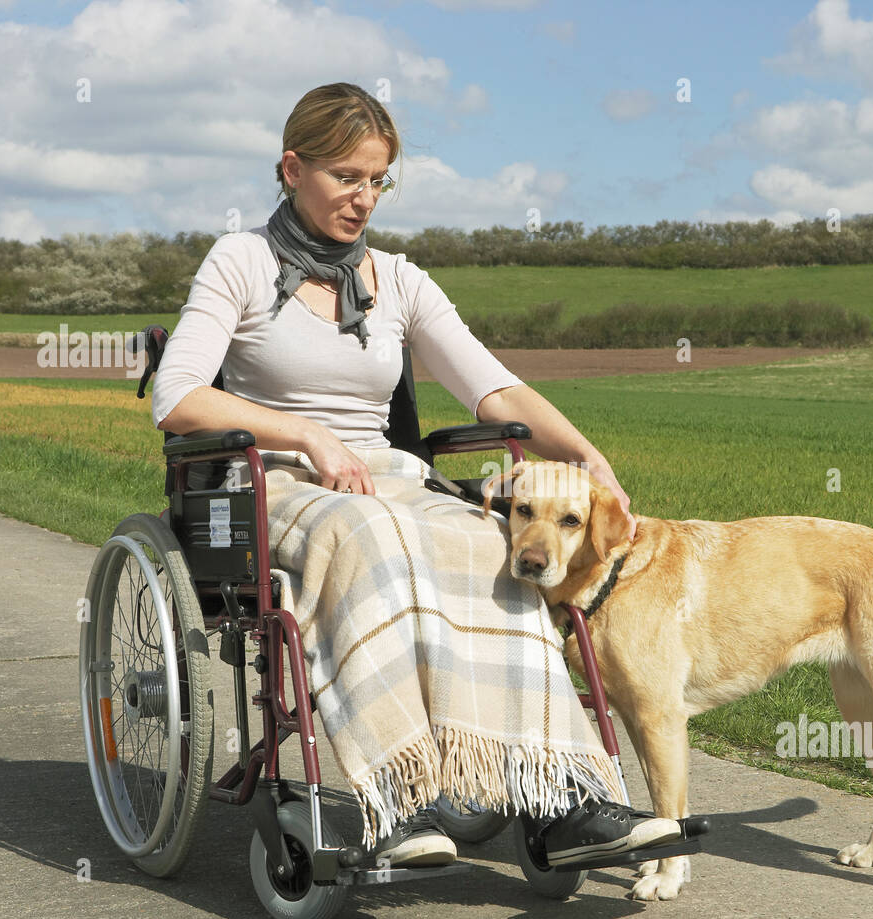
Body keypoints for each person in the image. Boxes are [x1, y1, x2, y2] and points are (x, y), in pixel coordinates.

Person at [151, 83, 680, 868]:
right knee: (367, 532)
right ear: (292, 169)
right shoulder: (239, 261)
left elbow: (493, 388)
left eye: (377, 181)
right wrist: (306, 434)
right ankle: (393, 791)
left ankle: (563, 795)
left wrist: (585, 454)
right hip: (269, 479)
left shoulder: (398, 279)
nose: (363, 198)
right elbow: (176, 396)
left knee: (487, 546)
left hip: (383, 474)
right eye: (346, 177)